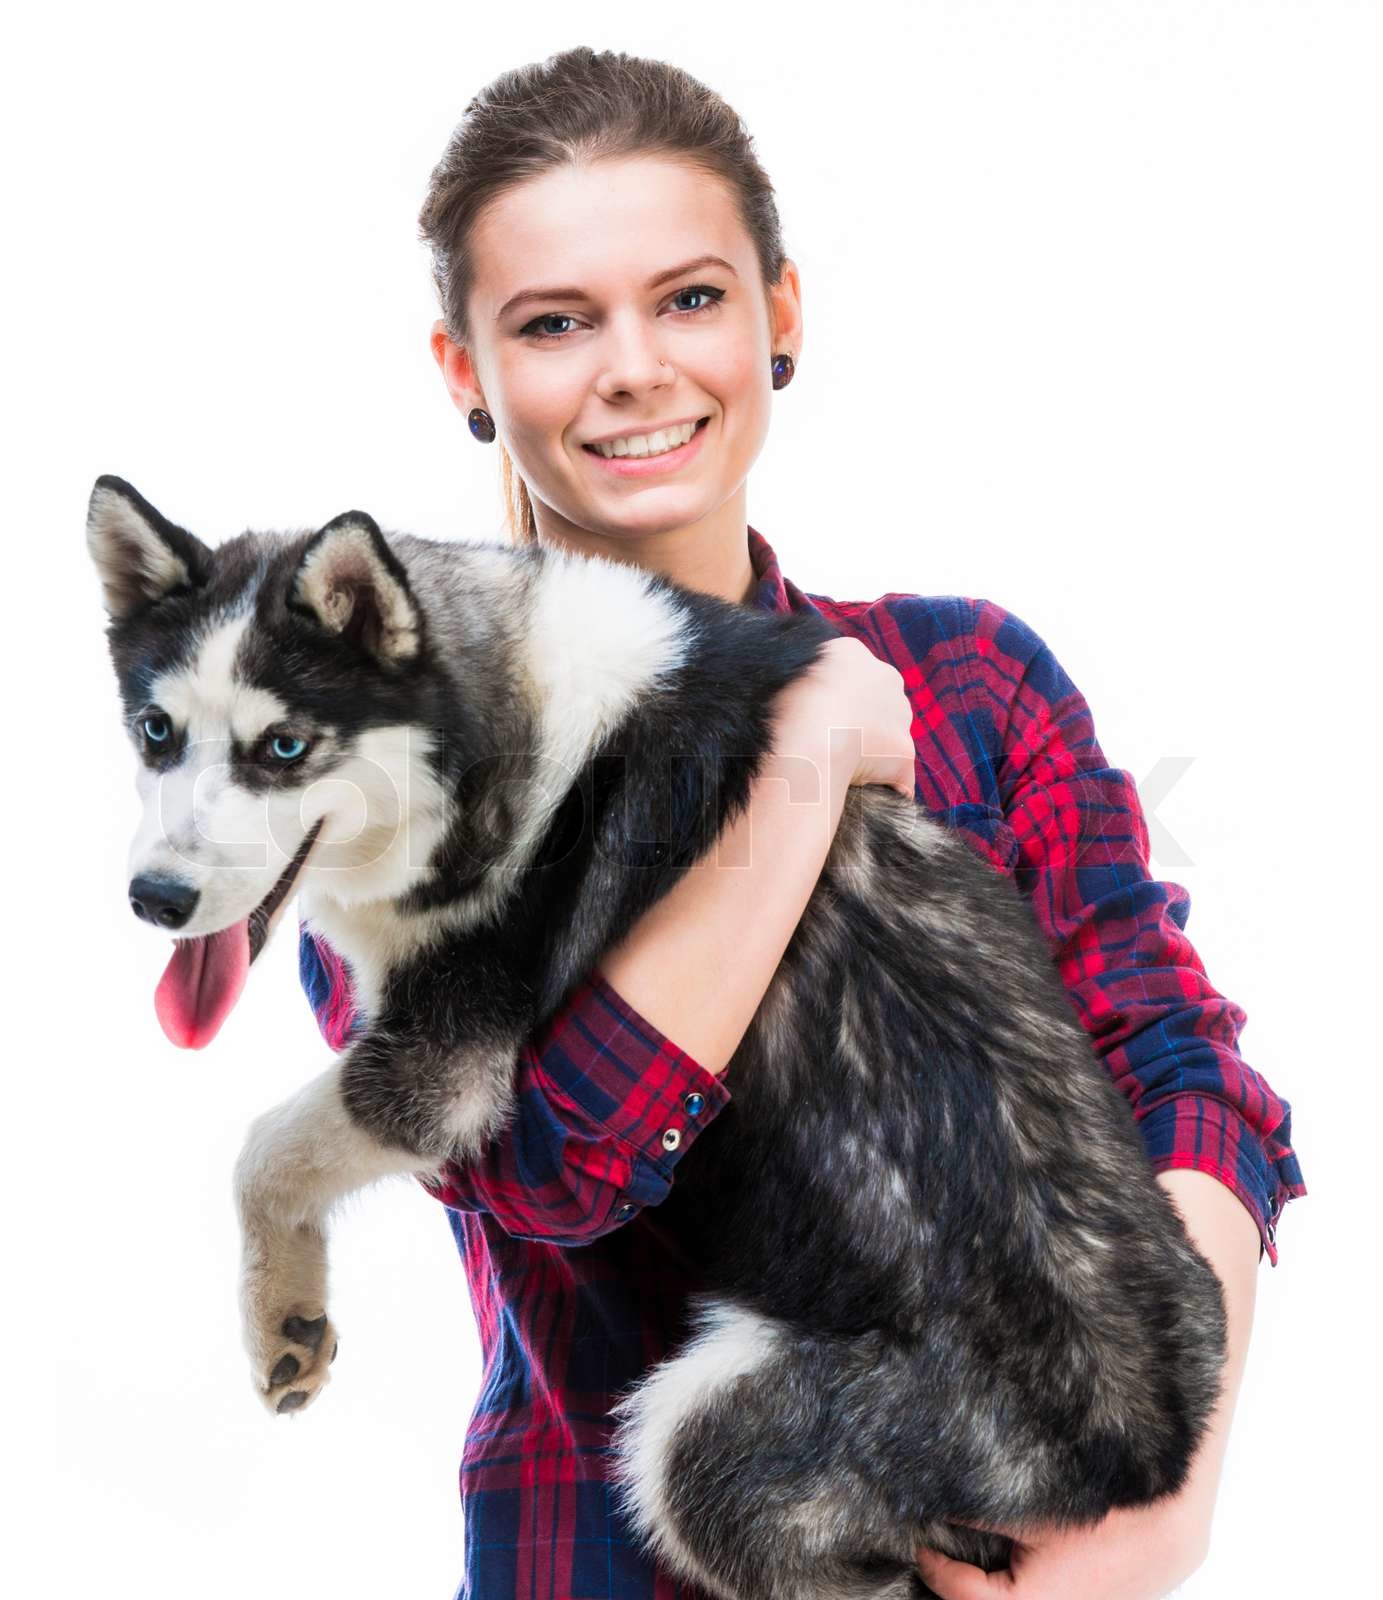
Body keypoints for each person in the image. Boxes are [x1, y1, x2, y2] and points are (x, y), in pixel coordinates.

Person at [296, 47, 1305, 1600]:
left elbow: (1179, 1071)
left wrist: (1163, 1495)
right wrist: (803, 771)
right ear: (463, 369)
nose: (633, 367)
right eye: (556, 323)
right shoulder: (387, 798)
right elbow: (562, 1168)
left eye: (689, 298)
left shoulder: (967, 678)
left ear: (780, 315)